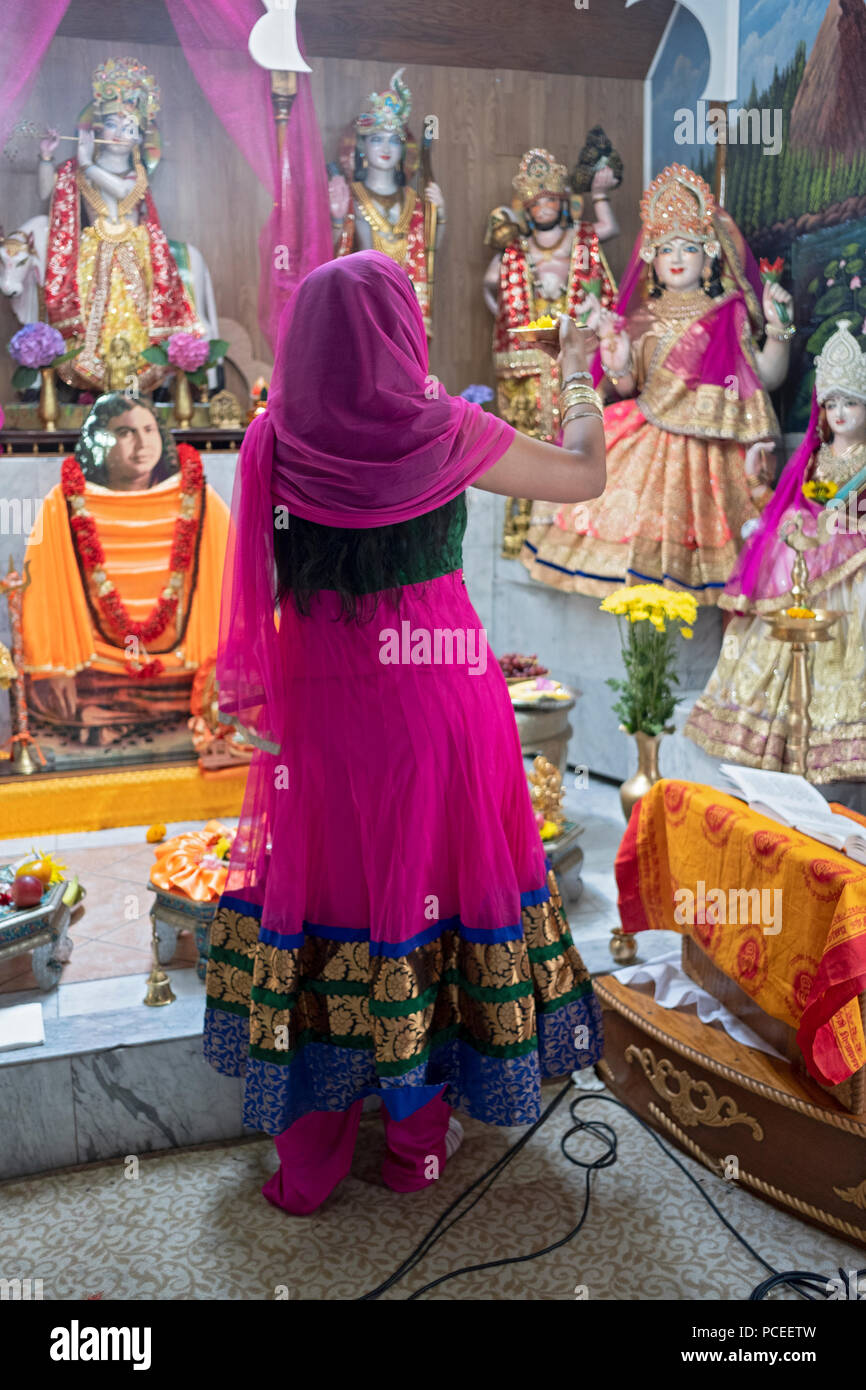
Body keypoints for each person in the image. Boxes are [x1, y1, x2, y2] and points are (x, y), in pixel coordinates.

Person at [203, 250, 606, 1215]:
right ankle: (417, 1145)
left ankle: (310, 1160)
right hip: (439, 710)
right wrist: (581, 374)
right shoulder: (446, 432)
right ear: (400, 333)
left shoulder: (273, 439)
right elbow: (585, 476)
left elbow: (259, 587)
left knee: (326, 901)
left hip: (325, 711)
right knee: (425, 901)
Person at [520, 164, 793, 603]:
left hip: (712, 449)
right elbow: (628, 388)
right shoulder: (640, 317)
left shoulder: (729, 311)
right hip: (646, 430)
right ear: (652, 258)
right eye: (666, 249)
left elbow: (767, 376)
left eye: (688, 247)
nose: (678, 257)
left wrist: (779, 331)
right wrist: (618, 361)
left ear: (709, 256)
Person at [685, 320, 866, 782]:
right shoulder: (813, 456)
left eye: (851, 402)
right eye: (832, 403)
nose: (841, 413)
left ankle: (835, 739)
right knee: (786, 548)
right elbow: (780, 506)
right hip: (808, 563)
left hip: (853, 570)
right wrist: (756, 480)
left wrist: (842, 526)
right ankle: (773, 734)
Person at [21, 393, 230, 743]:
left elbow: (236, 583)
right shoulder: (65, 504)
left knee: (226, 689)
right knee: (52, 698)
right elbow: (42, 592)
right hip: (97, 669)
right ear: (100, 442)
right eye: (125, 432)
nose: (142, 443)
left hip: (182, 666)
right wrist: (54, 665)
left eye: (149, 429)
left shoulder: (199, 501)